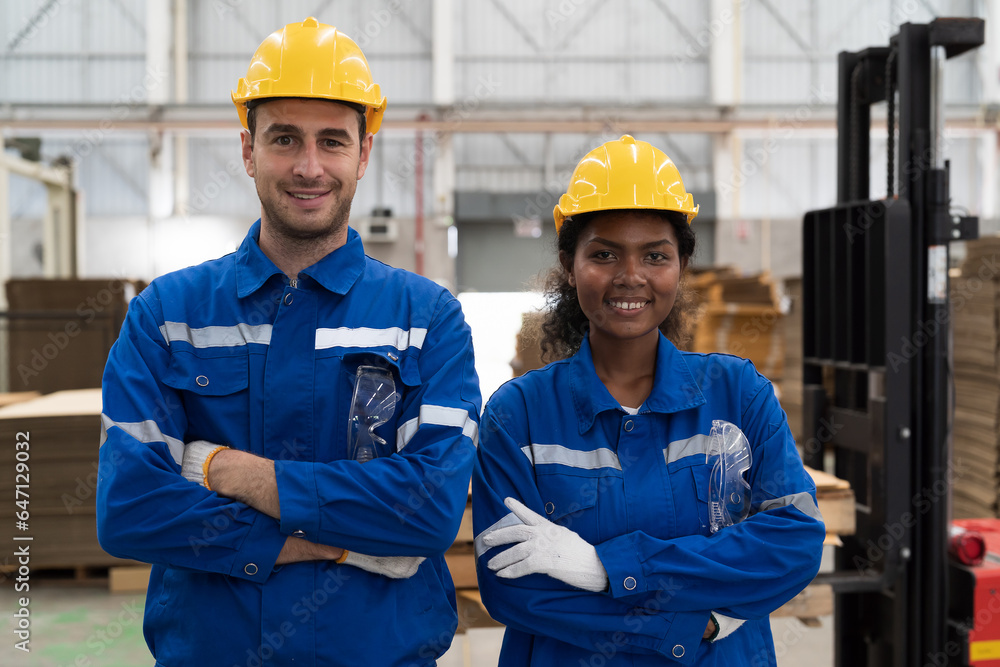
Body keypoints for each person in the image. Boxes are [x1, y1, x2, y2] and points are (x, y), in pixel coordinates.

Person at [96, 17, 481, 667]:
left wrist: (229, 471)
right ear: (248, 150)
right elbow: (130, 506)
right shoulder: (168, 315)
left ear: (362, 154)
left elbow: (430, 510)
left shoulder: (427, 318)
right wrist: (316, 539)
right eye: (284, 139)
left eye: (332, 141)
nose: (309, 166)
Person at [472, 135, 825, 666]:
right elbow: (514, 588)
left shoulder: (738, 394)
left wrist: (606, 566)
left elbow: (793, 541)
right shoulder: (517, 416)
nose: (630, 276)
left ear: (681, 264)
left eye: (654, 255)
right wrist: (697, 623)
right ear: (570, 265)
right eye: (604, 254)